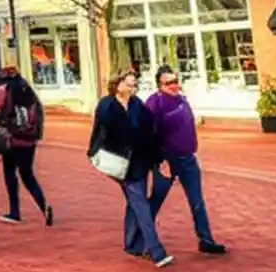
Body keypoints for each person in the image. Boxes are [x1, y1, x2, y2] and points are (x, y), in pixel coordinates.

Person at [87, 70, 172, 268]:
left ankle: (132, 244)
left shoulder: (137, 105)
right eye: (129, 85)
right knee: (140, 202)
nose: (132, 89)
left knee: (135, 201)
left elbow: (149, 132)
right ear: (118, 84)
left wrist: (158, 159)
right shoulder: (106, 105)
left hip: (139, 162)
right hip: (118, 162)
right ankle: (155, 250)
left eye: (135, 85)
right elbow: (100, 132)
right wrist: (94, 153)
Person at [147, 66, 228, 256]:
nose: (174, 86)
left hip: (188, 158)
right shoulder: (155, 103)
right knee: (156, 200)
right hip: (167, 159)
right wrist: (160, 160)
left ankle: (206, 239)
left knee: (197, 200)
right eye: (169, 83)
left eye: (176, 81)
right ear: (160, 85)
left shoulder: (182, 100)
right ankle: (142, 238)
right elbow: (150, 134)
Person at [0, 67, 52, 226]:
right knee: (27, 174)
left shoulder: (3, 90)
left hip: (12, 138)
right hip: (29, 140)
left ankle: (14, 212)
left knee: (10, 174)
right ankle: (43, 207)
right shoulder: (27, 90)